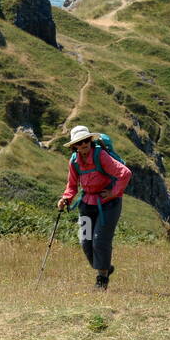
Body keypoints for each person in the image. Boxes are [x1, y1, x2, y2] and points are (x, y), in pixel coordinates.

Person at [57, 124, 132, 290]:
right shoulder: (74, 161)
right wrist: (66, 199)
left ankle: (102, 279)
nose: (83, 144)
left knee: (100, 241)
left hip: (109, 205)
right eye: (79, 142)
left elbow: (125, 173)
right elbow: (72, 186)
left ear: (90, 140)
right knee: (85, 242)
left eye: (86, 140)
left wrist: (113, 193)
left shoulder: (101, 155)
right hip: (86, 204)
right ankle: (104, 267)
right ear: (74, 146)